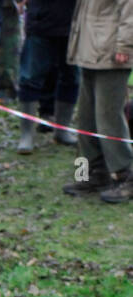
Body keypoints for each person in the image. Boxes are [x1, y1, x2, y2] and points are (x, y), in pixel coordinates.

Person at [62, 0, 133, 202]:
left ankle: (125, 176)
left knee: (108, 119)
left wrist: (125, 45)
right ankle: (87, 174)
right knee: (85, 120)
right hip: (89, 52)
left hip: (111, 54)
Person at [17, 0, 80, 153]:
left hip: (74, 24)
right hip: (40, 22)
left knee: (71, 77)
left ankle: (62, 130)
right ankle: (27, 134)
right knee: (30, 78)